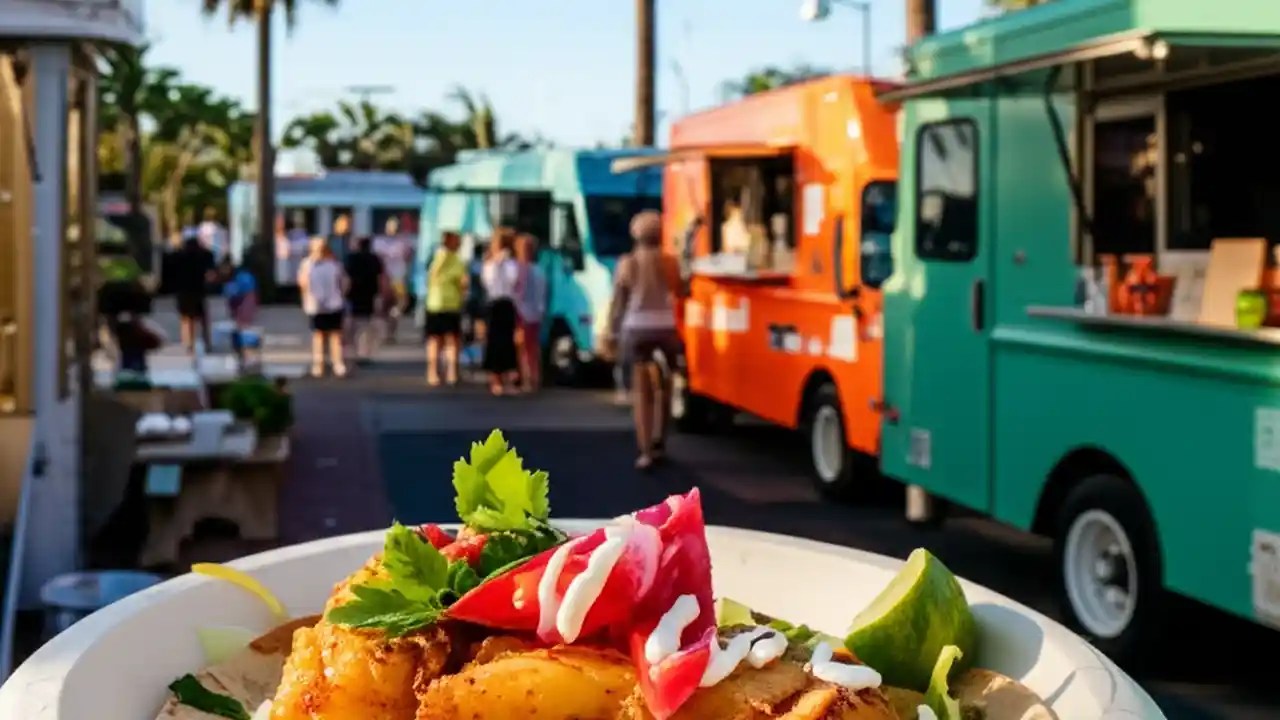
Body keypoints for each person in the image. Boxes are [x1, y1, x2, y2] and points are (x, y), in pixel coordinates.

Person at [607, 211, 682, 470]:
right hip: (666, 329)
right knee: (666, 386)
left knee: (642, 393)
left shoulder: (627, 262)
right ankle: (661, 439)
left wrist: (611, 332)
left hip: (637, 329)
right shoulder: (670, 262)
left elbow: (619, 301)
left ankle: (645, 450)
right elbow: (681, 290)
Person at [298, 236, 349, 377]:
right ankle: (334, 364)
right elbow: (344, 282)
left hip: (322, 304)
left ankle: (322, 365)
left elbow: (303, 283)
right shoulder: (333, 264)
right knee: (329, 335)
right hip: (328, 303)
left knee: (326, 335)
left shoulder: (309, 264)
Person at [480, 229, 521, 395]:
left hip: (508, 303)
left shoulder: (511, 263)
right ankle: (495, 379)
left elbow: (513, 280)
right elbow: (489, 282)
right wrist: (498, 262)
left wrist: (506, 262)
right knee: (494, 341)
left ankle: (507, 378)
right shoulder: (489, 263)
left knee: (507, 342)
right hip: (494, 303)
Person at [424, 231, 468, 386]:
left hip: (434, 303)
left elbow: (428, 275)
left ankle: (432, 373)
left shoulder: (434, 257)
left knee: (434, 339)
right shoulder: (457, 260)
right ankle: (452, 373)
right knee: (452, 339)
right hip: (451, 304)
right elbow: (464, 283)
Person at [170, 232, 216, 353]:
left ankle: (188, 344)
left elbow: (171, 272)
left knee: (186, 318)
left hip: (183, 290)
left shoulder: (178, 255)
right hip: (198, 290)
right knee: (202, 318)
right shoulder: (204, 254)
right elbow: (210, 272)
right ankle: (206, 343)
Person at [344, 236, 386, 366]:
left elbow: (346, 277)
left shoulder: (351, 258)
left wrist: (344, 292)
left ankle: (352, 351)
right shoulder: (375, 259)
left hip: (353, 294)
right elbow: (380, 277)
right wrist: (381, 294)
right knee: (366, 324)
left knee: (353, 323)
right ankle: (364, 352)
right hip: (370, 294)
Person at [513, 233, 546, 393]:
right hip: (534, 314)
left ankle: (528, 379)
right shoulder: (539, 270)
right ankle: (533, 378)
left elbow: (518, 292)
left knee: (525, 348)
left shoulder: (520, 269)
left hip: (523, 313)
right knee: (531, 347)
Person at [373, 216, 411, 343]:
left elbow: (408, 258)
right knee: (383, 307)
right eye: (391, 226)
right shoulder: (379, 242)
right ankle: (384, 333)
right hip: (384, 278)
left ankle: (391, 333)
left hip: (398, 277)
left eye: (395, 227)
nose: (393, 229)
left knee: (398, 304)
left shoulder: (403, 242)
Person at [220, 259, 258, 364]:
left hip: (244, 304)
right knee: (237, 331)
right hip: (237, 306)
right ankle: (241, 356)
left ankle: (246, 356)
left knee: (244, 331)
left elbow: (249, 295)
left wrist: (245, 310)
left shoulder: (242, 278)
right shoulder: (229, 282)